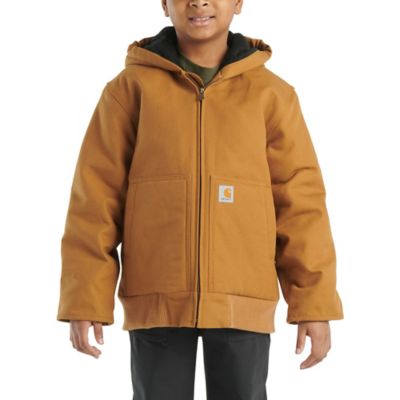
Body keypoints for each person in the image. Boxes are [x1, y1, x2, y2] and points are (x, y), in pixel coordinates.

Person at [56, 0, 344, 398]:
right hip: (156, 298)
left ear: (238, 3)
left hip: (243, 299)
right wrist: (86, 299)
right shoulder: (129, 90)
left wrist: (313, 304)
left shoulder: (272, 96)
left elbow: (301, 204)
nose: (199, 1)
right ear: (164, 4)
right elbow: (95, 198)